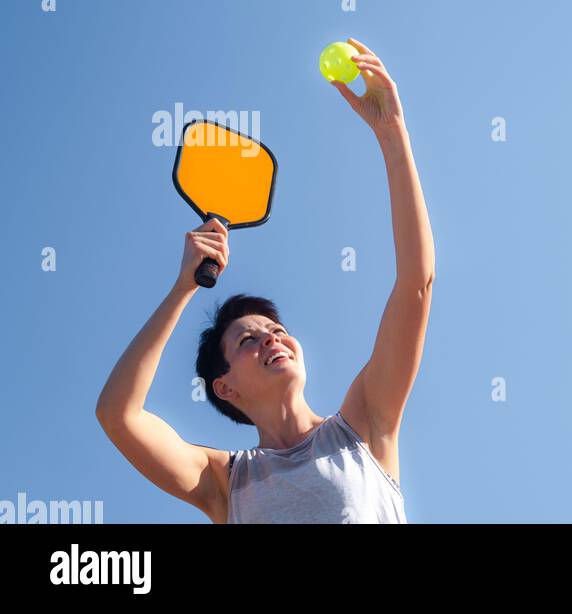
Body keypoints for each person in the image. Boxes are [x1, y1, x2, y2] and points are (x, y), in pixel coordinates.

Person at [95, 38, 433, 523]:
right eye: (248, 339)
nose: (273, 338)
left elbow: (416, 283)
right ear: (225, 387)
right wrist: (182, 288)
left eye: (275, 330)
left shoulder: (365, 426)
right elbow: (118, 415)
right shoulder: (224, 482)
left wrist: (392, 134)